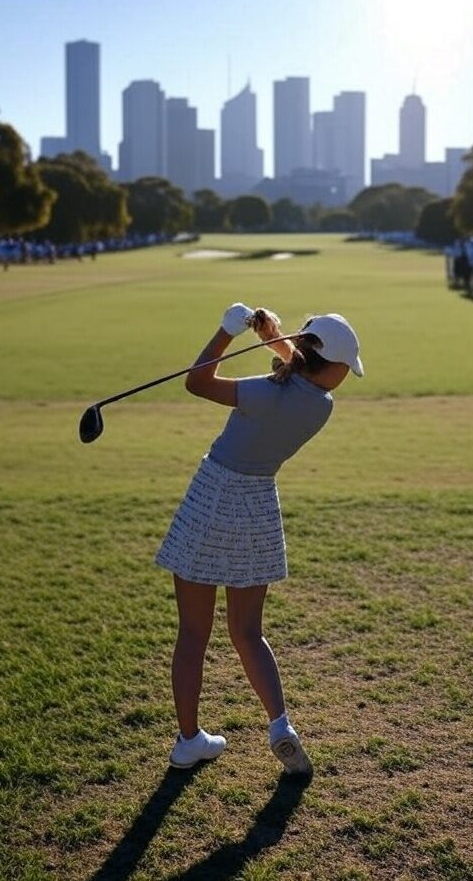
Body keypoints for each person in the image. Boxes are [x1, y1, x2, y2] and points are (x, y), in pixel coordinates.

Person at [155, 304, 364, 774]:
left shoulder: (262, 393)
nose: (345, 376)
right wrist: (274, 339)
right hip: (256, 505)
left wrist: (227, 331)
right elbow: (303, 374)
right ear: (328, 366)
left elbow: (197, 382)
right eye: (345, 368)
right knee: (248, 632)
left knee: (193, 633)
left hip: (212, 495)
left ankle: (189, 741)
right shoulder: (319, 406)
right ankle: (280, 726)